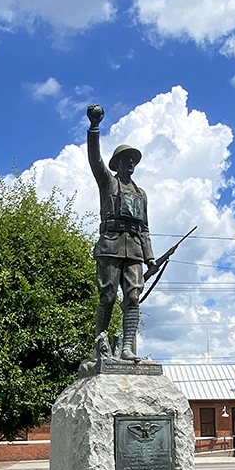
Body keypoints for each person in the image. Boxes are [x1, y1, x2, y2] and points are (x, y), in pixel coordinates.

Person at [86, 104, 157, 361]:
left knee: (133, 297)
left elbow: (145, 228)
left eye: (133, 160)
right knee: (107, 296)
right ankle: (100, 345)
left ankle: (127, 348)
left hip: (135, 250)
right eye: (126, 160)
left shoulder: (141, 194)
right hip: (110, 245)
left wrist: (150, 257)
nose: (130, 163)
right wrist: (94, 127)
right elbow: (95, 159)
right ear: (116, 164)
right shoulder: (108, 182)